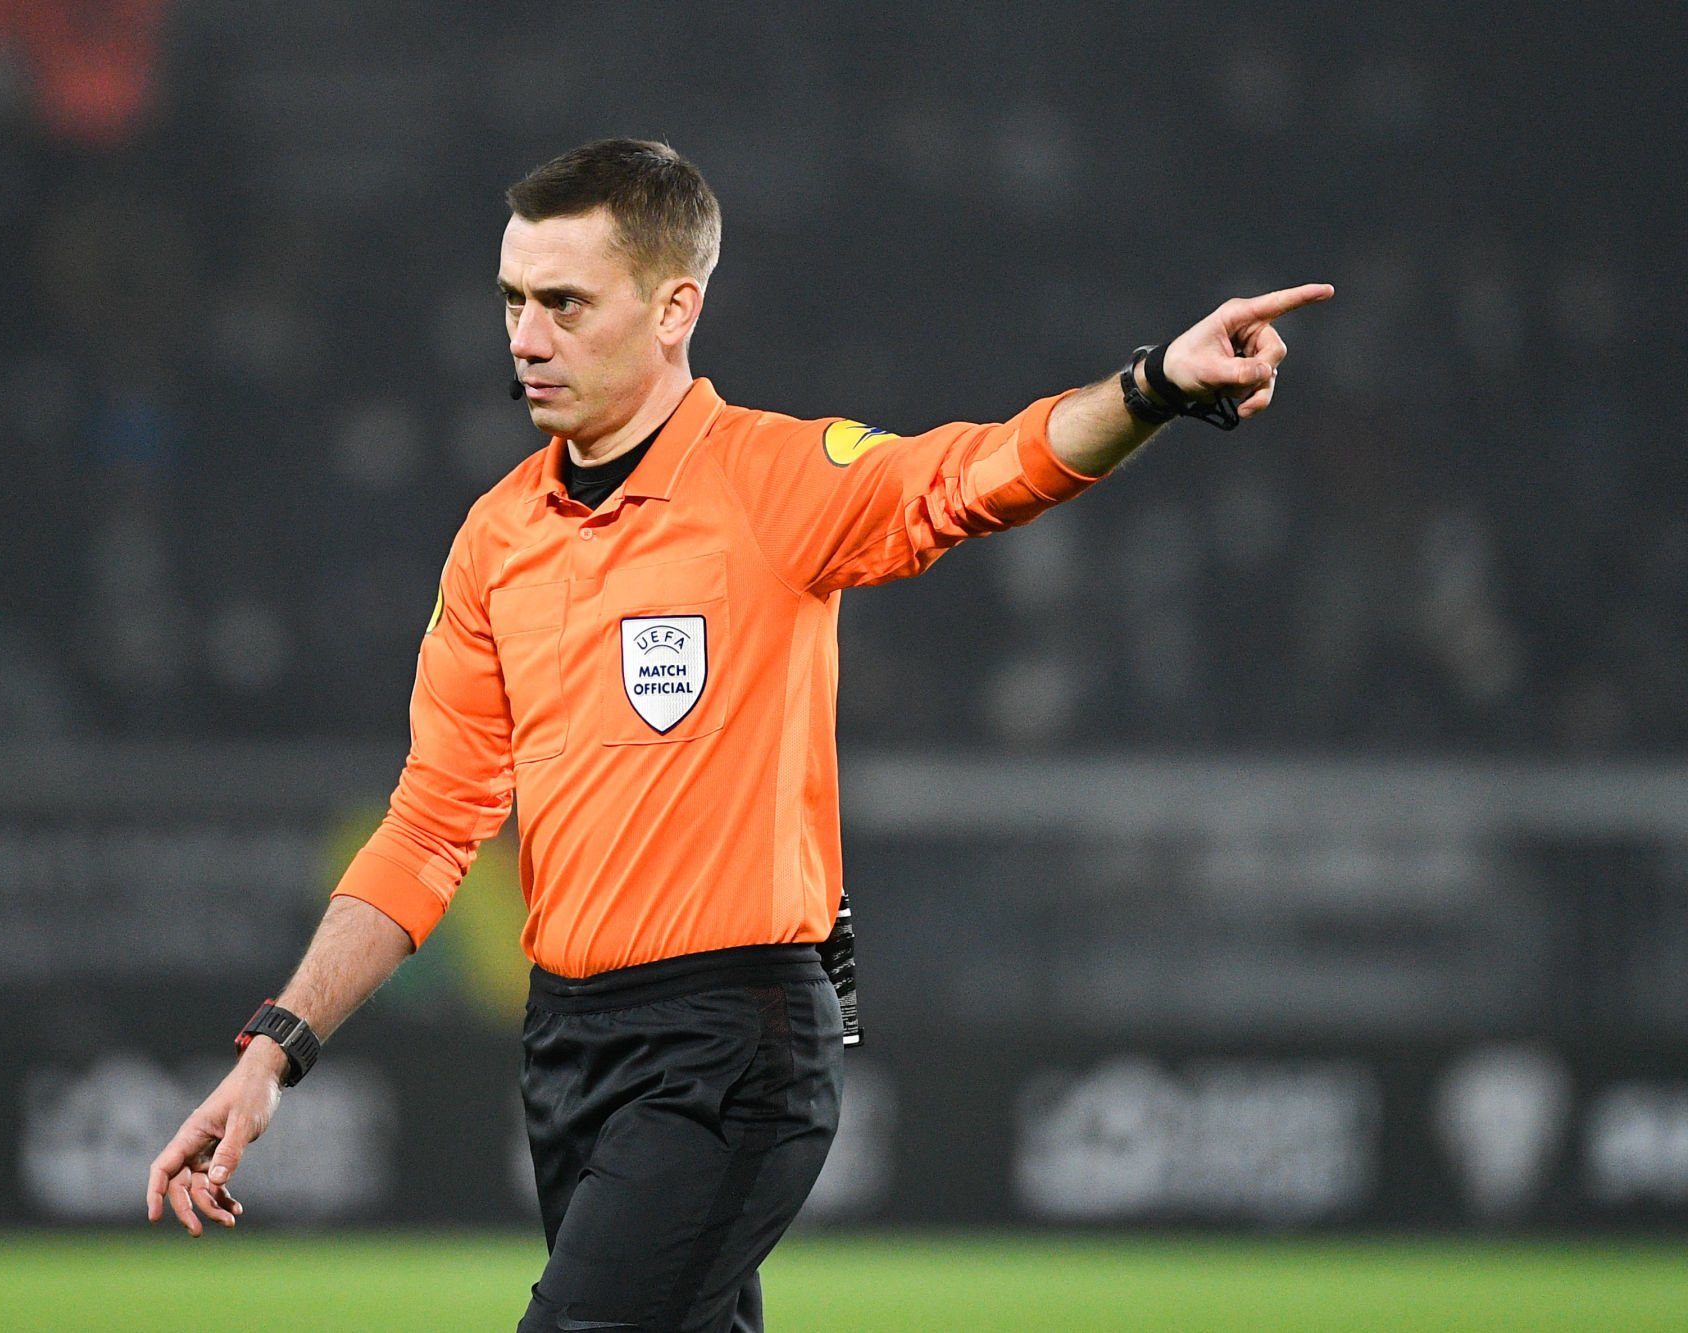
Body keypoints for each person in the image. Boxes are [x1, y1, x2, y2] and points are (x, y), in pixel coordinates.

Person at [147, 138, 1332, 1331]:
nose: (523, 336)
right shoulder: (494, 540)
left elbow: (974, 474)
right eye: (512, 299)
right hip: (565, 1044)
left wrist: (1152, 387)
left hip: (735, 1037)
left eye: (563, 302)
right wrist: (273, 1048)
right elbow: (429, 824)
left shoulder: (773, 480)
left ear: (674, 309)